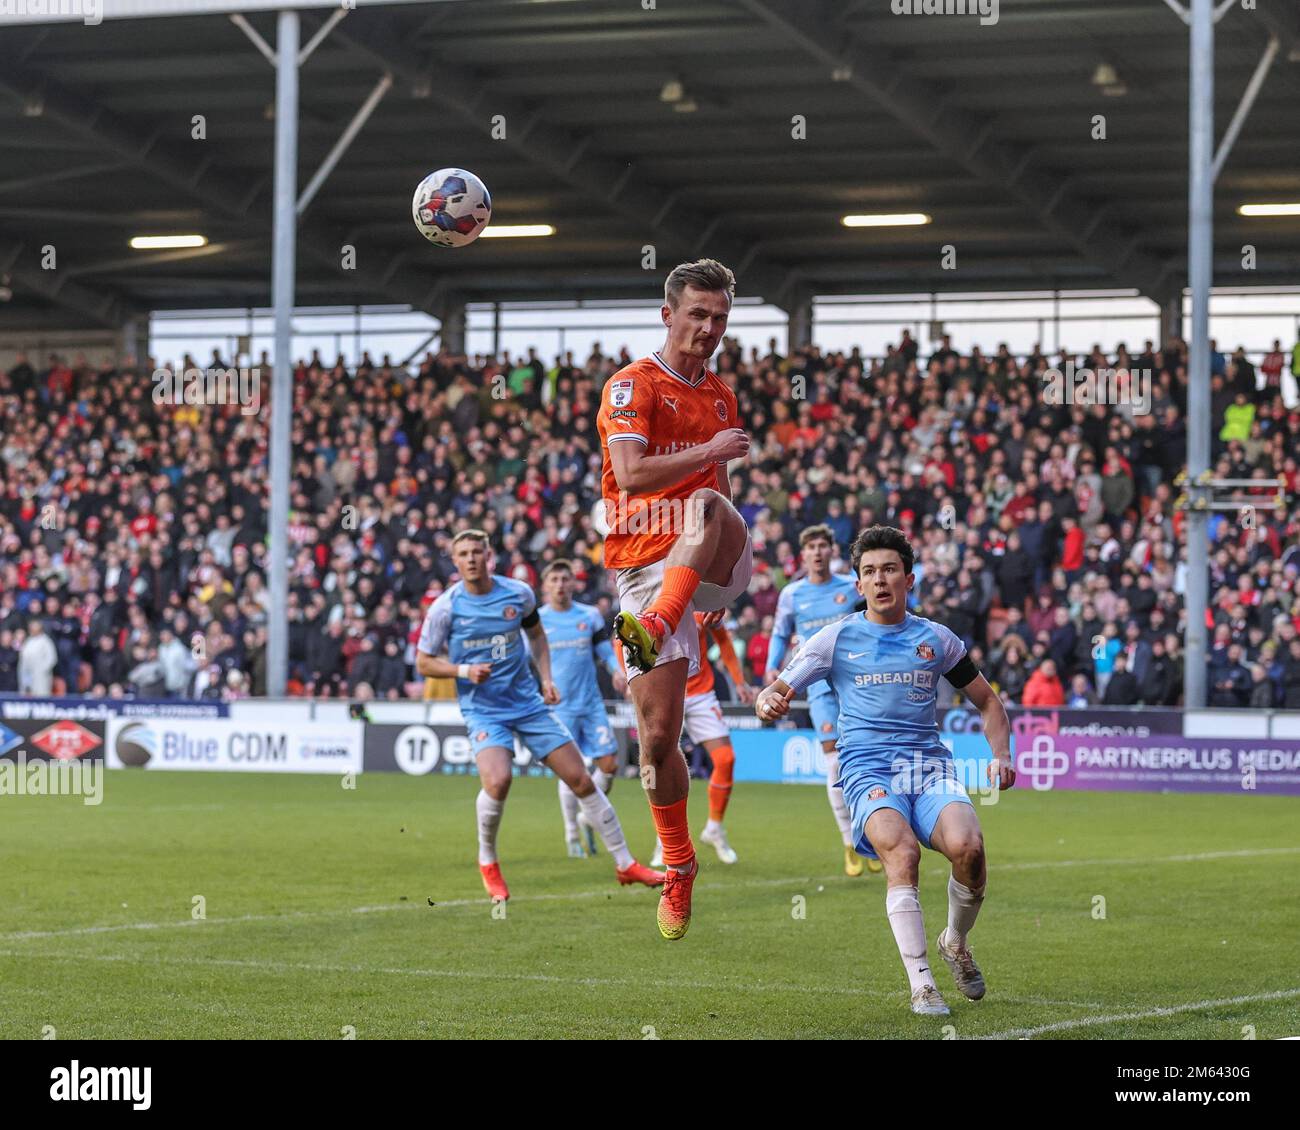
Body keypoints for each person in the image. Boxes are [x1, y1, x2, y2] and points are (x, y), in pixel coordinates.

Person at [755, 525, 1015, 1017]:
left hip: (927, 768)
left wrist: (1001, 755)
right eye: (869, 572)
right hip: (867, 768)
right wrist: (770, 700)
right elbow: (777, 688)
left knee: (970, 849)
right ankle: (922, 984)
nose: (879, 580)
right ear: (857, 585)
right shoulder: (834, 638)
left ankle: (955, 942)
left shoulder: (935, 639)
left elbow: (988, 702)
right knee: (901, 851)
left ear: (908, 578)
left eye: (889, 569)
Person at [598, 258, 753, 940]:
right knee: (657, 740)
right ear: (669, 314)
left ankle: (657, 621)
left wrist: (715, 579)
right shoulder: (632, 386)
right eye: (698, 314)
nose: (710, 328)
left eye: (719, 317)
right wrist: (709, 452)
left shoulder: (721, 396)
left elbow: (715, 490)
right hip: (640, 559)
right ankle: (681, 865)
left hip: (698, 558)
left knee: (711, 500)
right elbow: (629, 475)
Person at [416, 530, 664, 902]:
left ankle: (626, 864)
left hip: (528, 704)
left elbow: (536, 637)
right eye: (463, 554)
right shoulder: (445, 608)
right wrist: (463, 672)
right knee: (498, 781)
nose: (470, 559)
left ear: (490, 556)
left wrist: (546, 678)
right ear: (454, 562)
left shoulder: (518, 594)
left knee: (581, 778)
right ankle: (488, 861)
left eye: (477, 552)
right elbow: (423, 661)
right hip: (485, 710)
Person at [763, 524, 880, 877]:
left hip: (856, 681)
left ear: (832, 551)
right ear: (803, 555)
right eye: (810, 546)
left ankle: (871, 834)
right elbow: (780, 632)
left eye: (822, 546)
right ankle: (849, 841)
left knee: (864, 759)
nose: (817, 552)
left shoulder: (851, 587)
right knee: (833, 764)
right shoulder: (793, 595)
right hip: (817, 686)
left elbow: (875, 622)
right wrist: (772, 668)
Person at [537, 559, 628, 858]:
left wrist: (617, 671)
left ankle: (586, 816)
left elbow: (604, 651)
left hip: (590, 704)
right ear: (546, 585)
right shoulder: (537, 620)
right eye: (555, 580)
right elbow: (527, 660)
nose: (561, 584)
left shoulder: (589, 616)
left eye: (565, 579)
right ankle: (572, 834)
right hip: (559, 707)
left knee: (610, 766)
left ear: (574, 584)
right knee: (570, 772)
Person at [651, 610, 756, 866]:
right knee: (657, 768)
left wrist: (739, 681)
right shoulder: (650, 597)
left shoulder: (704, 602)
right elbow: (621, 640)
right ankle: (664, 840)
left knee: (726, 759)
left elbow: (723, 640)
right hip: (663, 694)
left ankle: (714, 829)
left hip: (700, 694)